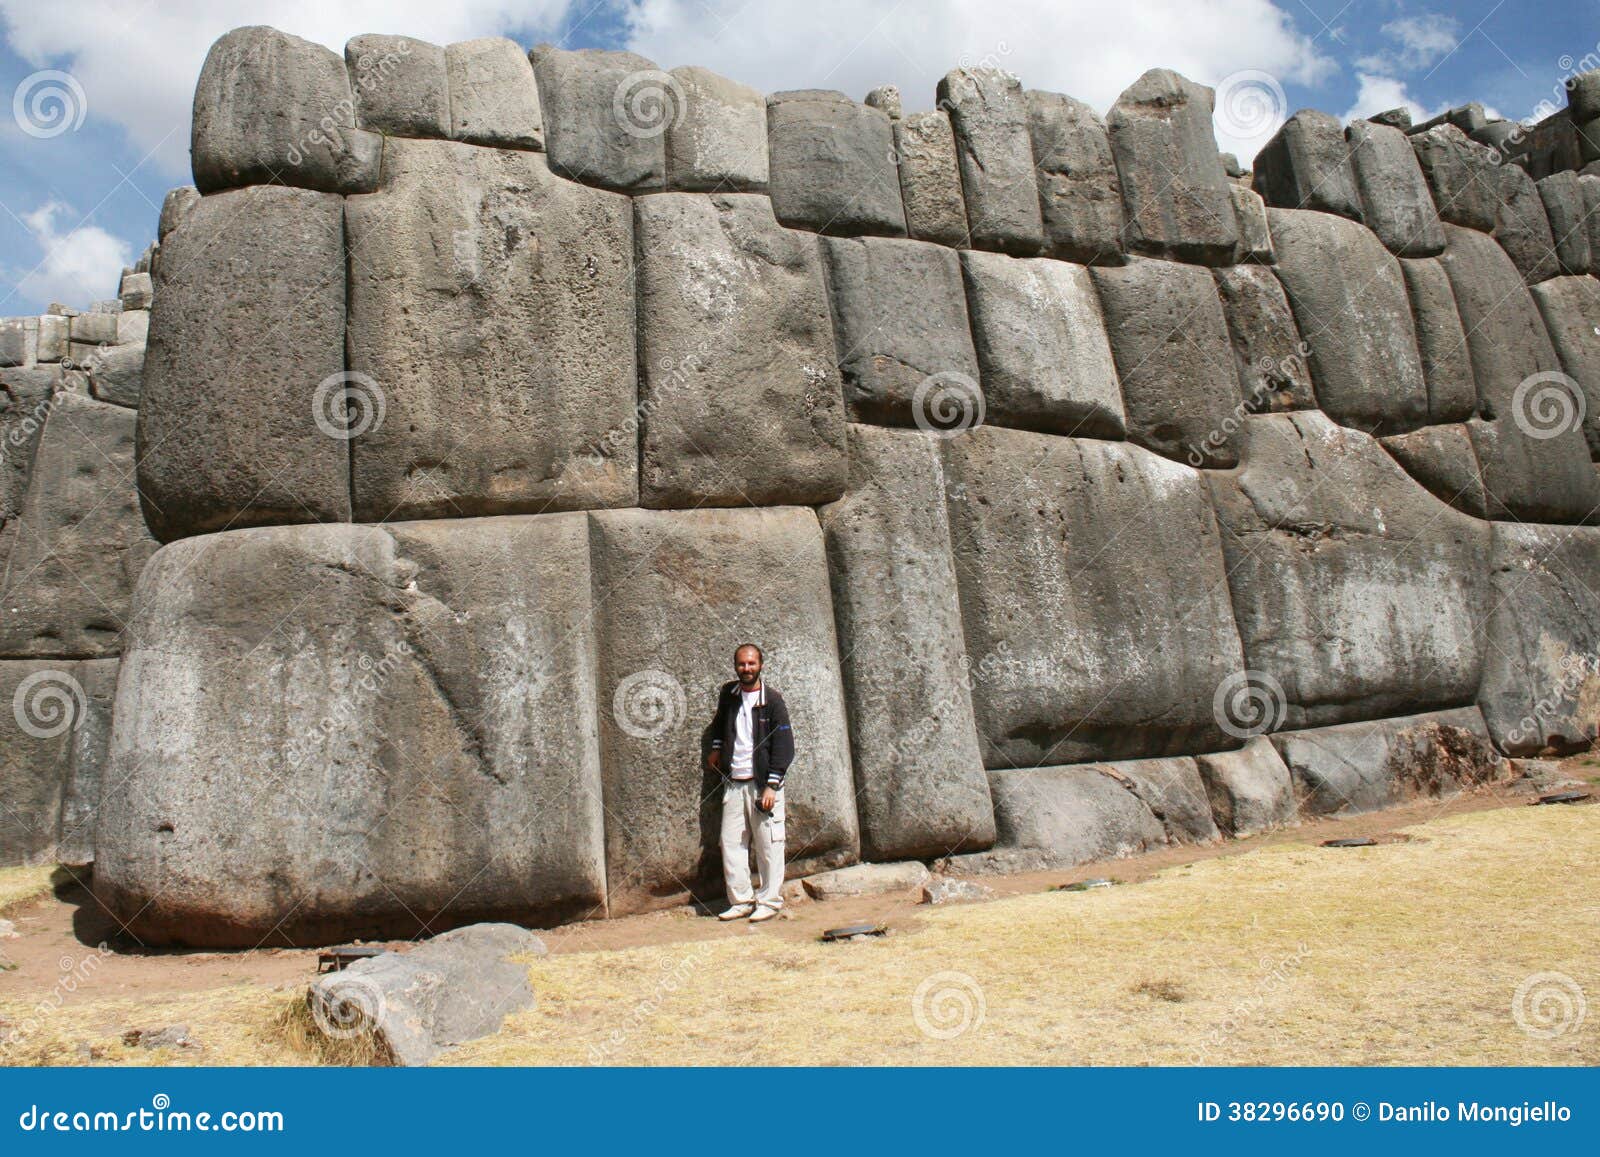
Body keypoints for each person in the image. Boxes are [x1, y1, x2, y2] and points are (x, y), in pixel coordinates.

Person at [705, 643, 793, 923]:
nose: (747, 669)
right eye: (742, 664)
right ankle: (741, 900)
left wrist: (772, 785)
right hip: (734, 781)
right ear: (735, 666)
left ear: (761, 665)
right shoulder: (729, 695)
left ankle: (769, 900)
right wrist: (717, 748)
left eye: (752, 663)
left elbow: (785, 744)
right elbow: (720, 723)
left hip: (762, 783)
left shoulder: (773, 701)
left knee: (769, 844)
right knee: (731, 842)